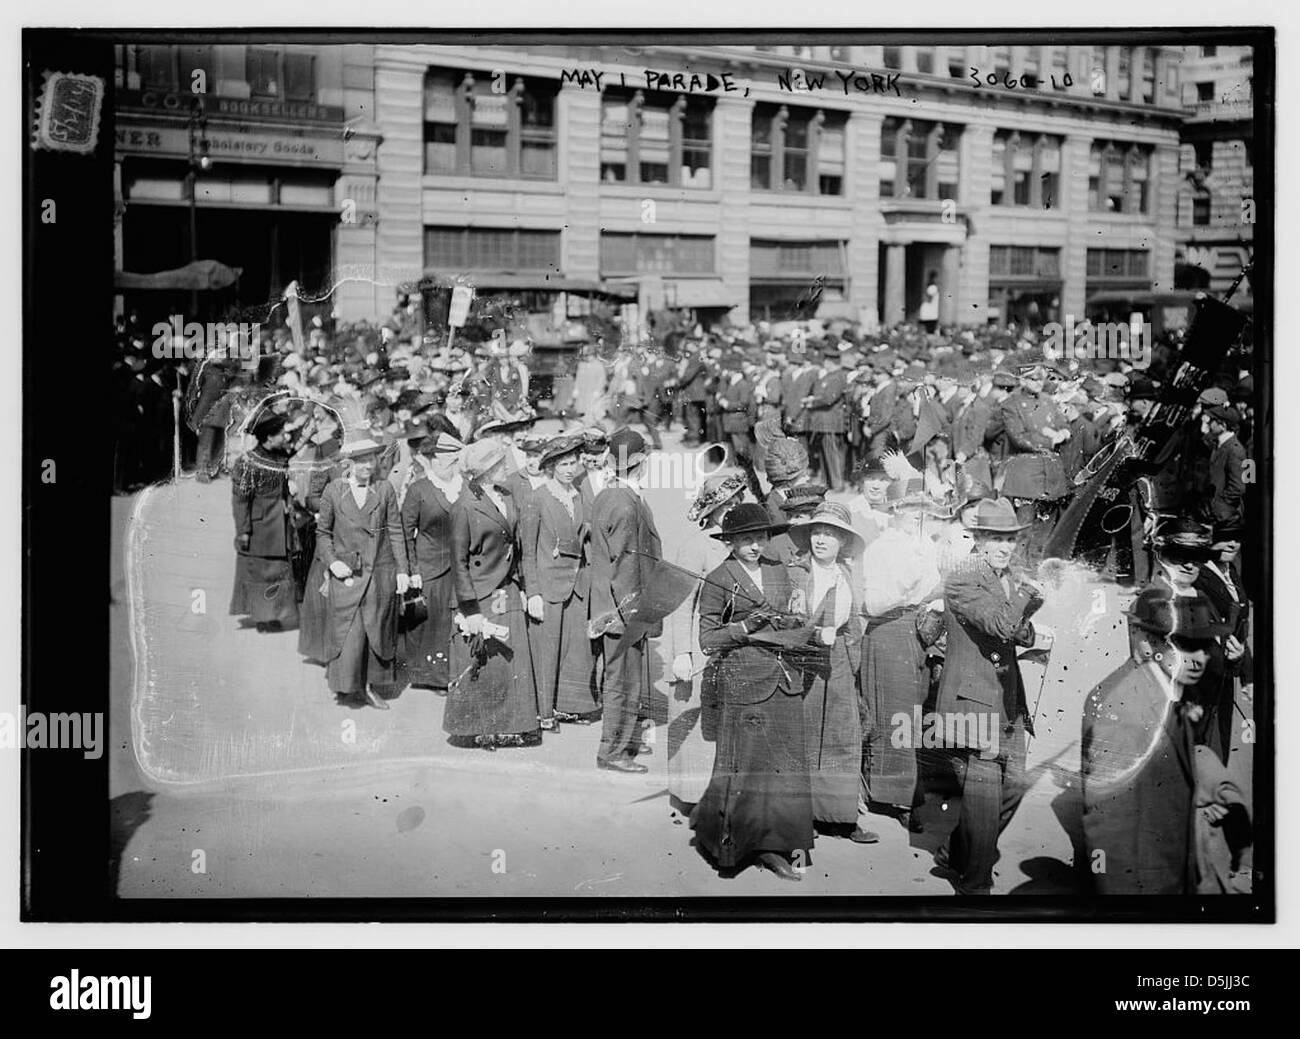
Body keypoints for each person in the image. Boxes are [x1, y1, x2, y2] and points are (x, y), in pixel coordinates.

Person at [690, 503, 812, 882]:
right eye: (746, 540)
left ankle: (779, 846)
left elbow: (792, 618)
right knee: (745, 766)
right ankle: (738, 846)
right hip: (744, 683)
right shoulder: (719, 578)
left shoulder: (778, 571)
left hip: (784, 679)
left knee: (785, 768)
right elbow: (708, 640)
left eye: (760, 538)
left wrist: (792, 619)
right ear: (730, 542)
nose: (756, 546)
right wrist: (743, 626)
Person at [1081, 587, 1231, 895]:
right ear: (1150, 643)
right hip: (1145, 884)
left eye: (1202, 646)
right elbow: (1107, 822)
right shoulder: (1125, 706)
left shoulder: (1173, 692)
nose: (1198, 659)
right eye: (1182, 646)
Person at [933, 497, 1044, 895]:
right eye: (995, 538)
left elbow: (1017, 629)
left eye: (1010, 540)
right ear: (978, 538)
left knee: (1012, 786)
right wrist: (1027, 595)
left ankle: (952, 851)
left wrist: (1028, 628)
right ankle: (975, 886)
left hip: (1008, 701)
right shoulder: (963, 575)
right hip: (973, 701)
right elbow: (1000, 624)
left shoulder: (1004, 575)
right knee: (983, 797)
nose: (1004, 547)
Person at [857, 478, 942, 840]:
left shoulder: (923, 543)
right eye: (910, 509)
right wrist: (908, 583)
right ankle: (896, 798)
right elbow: (873, 604)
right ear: (894, 510)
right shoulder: (880, 549)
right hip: (888, 630)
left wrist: (933, 606)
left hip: (919, 629)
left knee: (914, 712)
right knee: (893, 715)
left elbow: (935, 587)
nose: (916, 517)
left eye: (922, 511)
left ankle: (902, 791)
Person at [444, 439, 542, 749]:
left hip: (508, 587)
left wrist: (528, 589)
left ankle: (513, 725)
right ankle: (478, 727)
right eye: (501, 465)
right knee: (484, 663)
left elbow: (521, 546)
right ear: (486, 472)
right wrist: (470, 610)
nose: (507, 468)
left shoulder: (508, 497)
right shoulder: (464, 507)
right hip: (480, 592)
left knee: (511, 660)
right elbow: (458, 564)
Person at [665, 470, 748, 807]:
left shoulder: (744, 543)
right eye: (724, 504)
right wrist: (682, 652)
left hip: (735, 644)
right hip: (700, 646)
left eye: (737, 502)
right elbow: (682, 605)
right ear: (710, 511)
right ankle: (692, 797)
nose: (731, 509)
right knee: (697, 718)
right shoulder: (695, 547)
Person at [314, 428, 413, 710]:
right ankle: (347, 684)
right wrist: (332, 561)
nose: (367, 466)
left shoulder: (384, 490)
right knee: (347, 632)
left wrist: (402, 569)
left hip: (378, 574)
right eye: (361, 461)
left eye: (371, 460)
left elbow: (395, 530)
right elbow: (323, 533)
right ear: (349, 463)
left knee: (373, 632)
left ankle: (368, 686)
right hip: (345, 573)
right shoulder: (334, 491)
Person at [787, 501, 866, 828]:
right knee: (805, 733)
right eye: (816, 533)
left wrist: (850, 653)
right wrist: (815, 633)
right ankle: (802, 817)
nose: (821, 540)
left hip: (839, 661)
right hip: (804, 659)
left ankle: (840, 816)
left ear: (843, 542)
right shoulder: (796, 572)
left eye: (829, 534)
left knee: (840, 734)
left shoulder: (847, 573)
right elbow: (785, 622)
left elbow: (855, 620)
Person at [589, 428, 663, 773]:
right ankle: (613, 751)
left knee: (627, 678)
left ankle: (627, 738)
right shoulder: (624, 502)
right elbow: (625, 564)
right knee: (622, 681)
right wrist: (635, 613)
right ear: (636, 461)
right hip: (623, 610)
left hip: (615, 605)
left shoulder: (611, 494)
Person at [520, 433, 599, 729]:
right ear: (550, 466)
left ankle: (569, 707)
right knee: (548, 651)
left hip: (577, 583)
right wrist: (533, 593)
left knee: (575, 650)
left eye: (572, 462)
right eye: (562, 464)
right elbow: (527, 552)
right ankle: (545, 713)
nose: (569, 469)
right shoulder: (536, 498)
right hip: (549, 586)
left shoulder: (578, 495)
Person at [399, 432, 463, 693]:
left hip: (461, 565)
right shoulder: (419, 490)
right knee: (432, 622)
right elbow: (405, 532)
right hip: (430, 566)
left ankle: (455, 670)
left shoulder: (466, 485)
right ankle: (433, 676)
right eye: (437, 458)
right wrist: (413, 569)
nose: (442, 463)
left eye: (448, 457)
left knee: (454, 619)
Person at [229, 408, 300, 632]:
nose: (284, 436)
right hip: (260, 525)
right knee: (260, 572)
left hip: (280, 522)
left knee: (278, 571)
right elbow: (240, 500)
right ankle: (263, 618)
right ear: (269, 436)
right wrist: (243, 530)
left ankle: (275, 614)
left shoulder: (281, 457)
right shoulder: (248, 462)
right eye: (280, 433)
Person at [802, 341, 849, 491]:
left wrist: (812, 401)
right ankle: (830, 483)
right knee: (825, 454)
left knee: (833, 454)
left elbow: (829, 398)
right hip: (823, 422)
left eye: (826, 361)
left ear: (830, 362)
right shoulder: (829, 376)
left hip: (831, 422)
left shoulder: (838, 377)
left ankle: (837, 484)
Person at [1205, 405, 1247, 527]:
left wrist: (1219, 503)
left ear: (1222, 425)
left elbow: (1239, 487)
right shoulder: (1219, 444)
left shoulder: (1235, 450)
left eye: (1211, 421)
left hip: (1227, 517)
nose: (1208, 424)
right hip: (1217, 514)